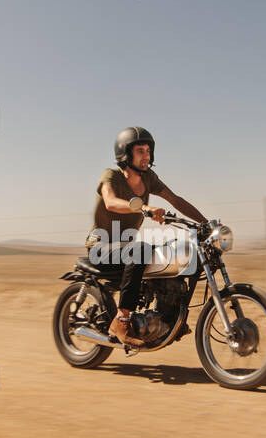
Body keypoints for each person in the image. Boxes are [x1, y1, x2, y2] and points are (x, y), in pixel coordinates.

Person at [87, 126, 208, 347]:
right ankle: (121, 319)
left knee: (171, 254)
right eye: (140, 150)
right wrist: (144, 208)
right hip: (101, 246)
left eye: (148, 151)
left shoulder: (149, 178)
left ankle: (171, 316)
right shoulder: (111, 176)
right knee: (142, 249)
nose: (147, 156)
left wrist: (206, 224)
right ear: (125, 153)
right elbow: (110, 201)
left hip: (125, 249)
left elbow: (175, 200)